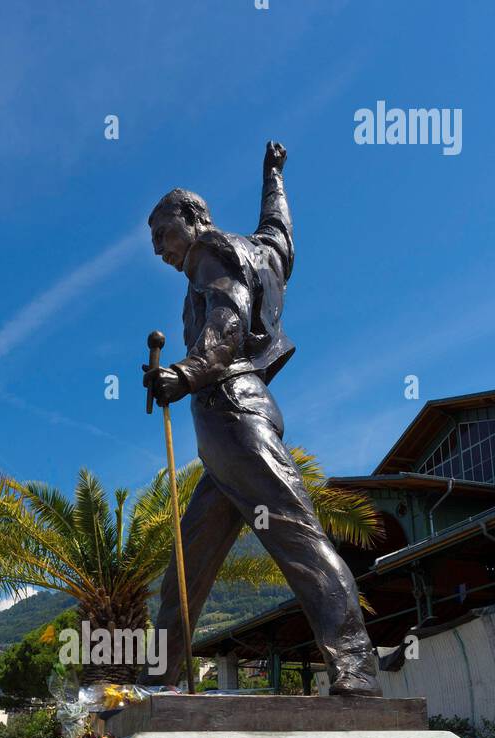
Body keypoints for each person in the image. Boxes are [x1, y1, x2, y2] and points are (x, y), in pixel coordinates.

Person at [142, 141, 380, 696]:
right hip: (226, 430)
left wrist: (185, 373)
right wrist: (274, 176)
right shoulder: (256, 253)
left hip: (231, 411)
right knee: (187, 565)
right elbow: (280, 233)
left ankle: (356, 666)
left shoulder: (210, 253)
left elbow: (226, 322)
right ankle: (157, 677)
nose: (158, 249)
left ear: (194, 219)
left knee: (297, 537)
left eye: (163, 233)